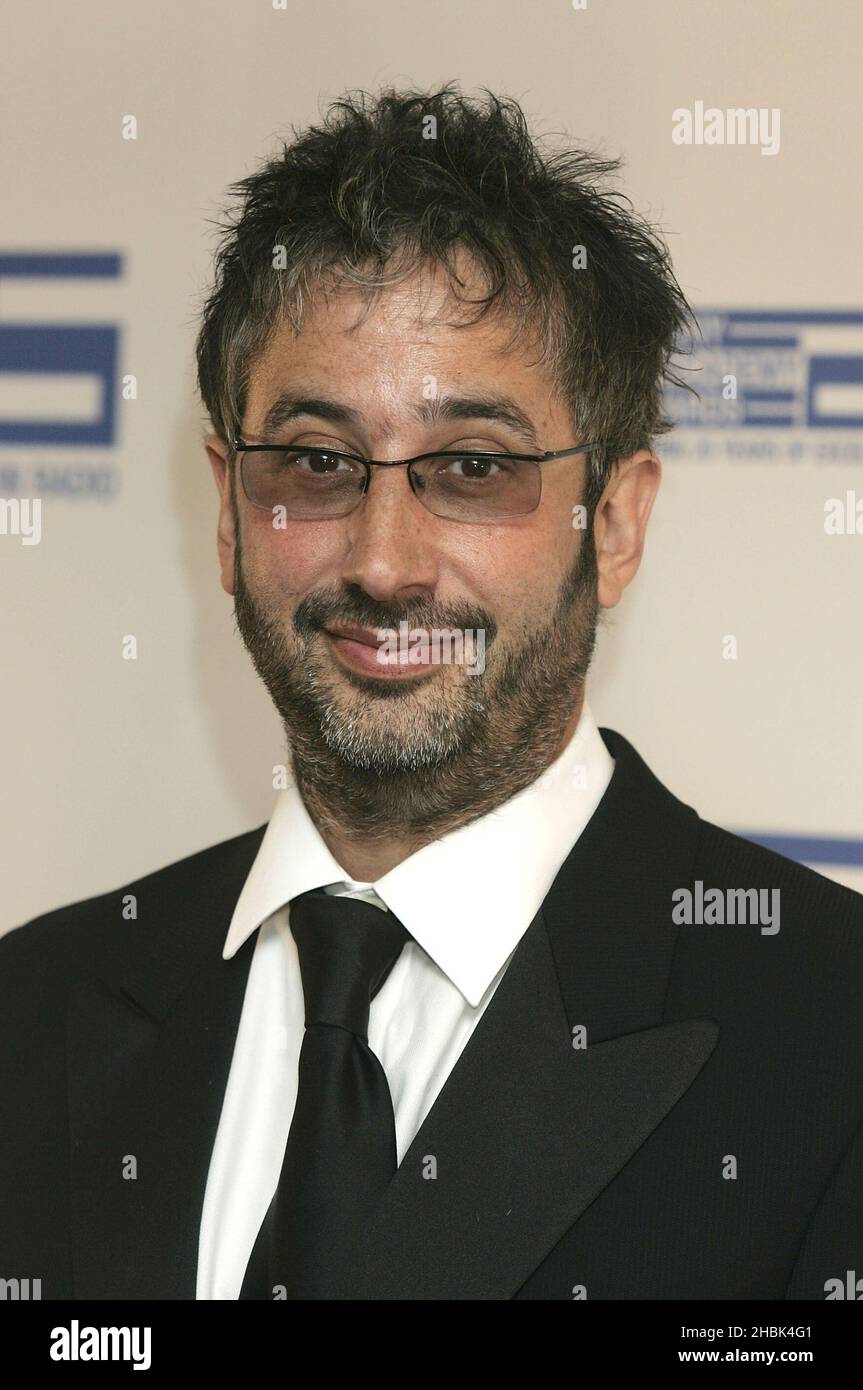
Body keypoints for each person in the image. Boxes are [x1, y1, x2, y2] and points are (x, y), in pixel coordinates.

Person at [2, 84, 862, 1302]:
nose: (383, 560)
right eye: (314, 461)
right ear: (228, 509)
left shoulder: (830, 1038)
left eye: (472, 467)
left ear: (611, 523)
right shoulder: (32, 1014)